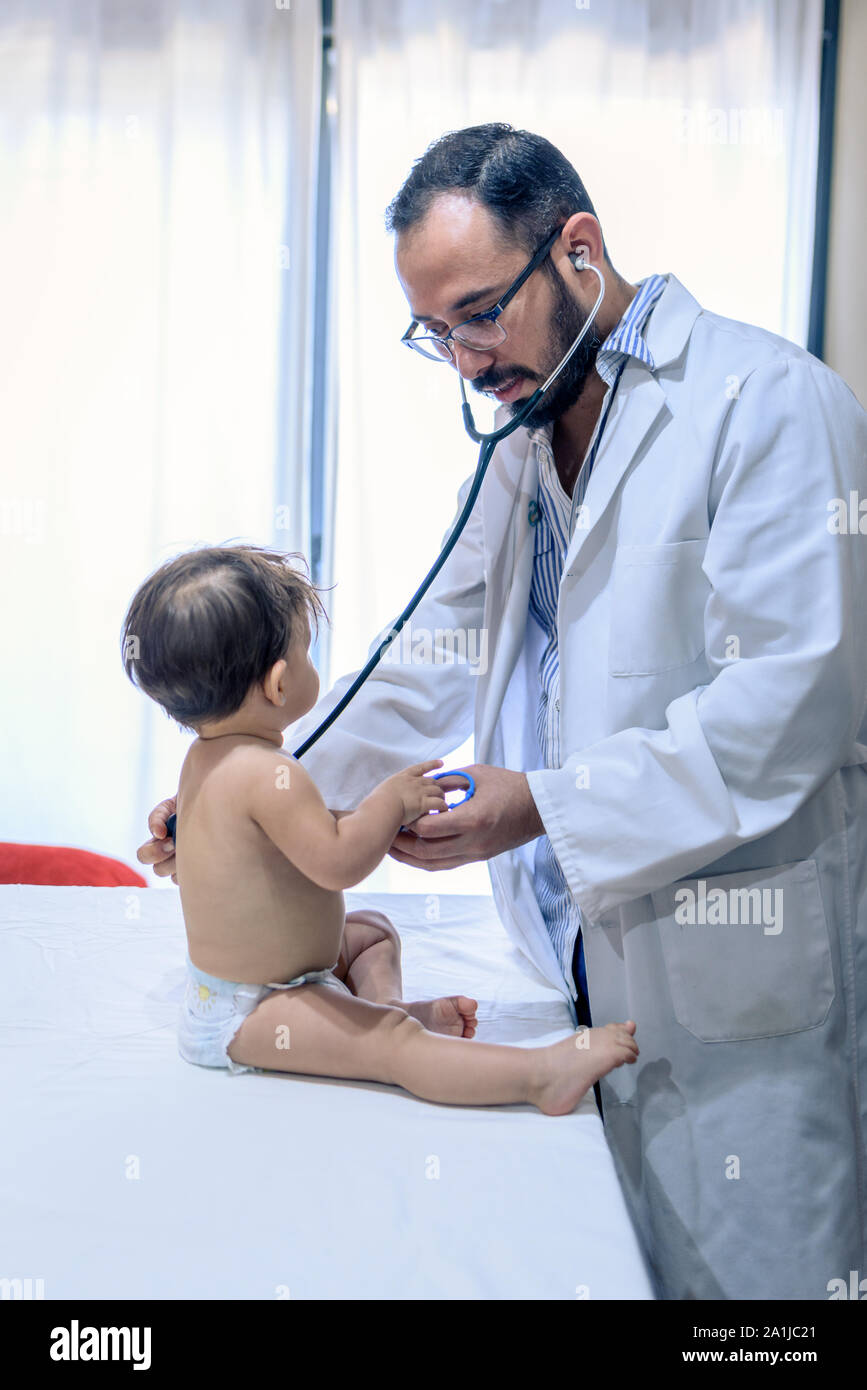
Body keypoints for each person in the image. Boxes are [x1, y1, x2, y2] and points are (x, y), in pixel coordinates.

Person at [139, 124, 867, 1299]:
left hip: (738, 967)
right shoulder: (529, 437)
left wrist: (546, 805)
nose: (469, 362)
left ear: (578, 249)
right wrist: (231, 785)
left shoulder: (770, 403)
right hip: (576, 955)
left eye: (482, 313)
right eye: (438, 335)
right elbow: (432, 653)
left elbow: (791, 706)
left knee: (759, 1306)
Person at [122, 543, 638, 1110]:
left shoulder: (204, 760)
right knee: (396, 1048)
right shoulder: (274, 774)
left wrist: (357, 819)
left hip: (262, 979)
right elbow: (338, 861)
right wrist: (389, 803)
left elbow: (288, 839)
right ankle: (538, 1075)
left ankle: (372, 1012)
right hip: (257, 1008)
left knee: (369, 932)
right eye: (307, 655)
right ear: (277, 685)